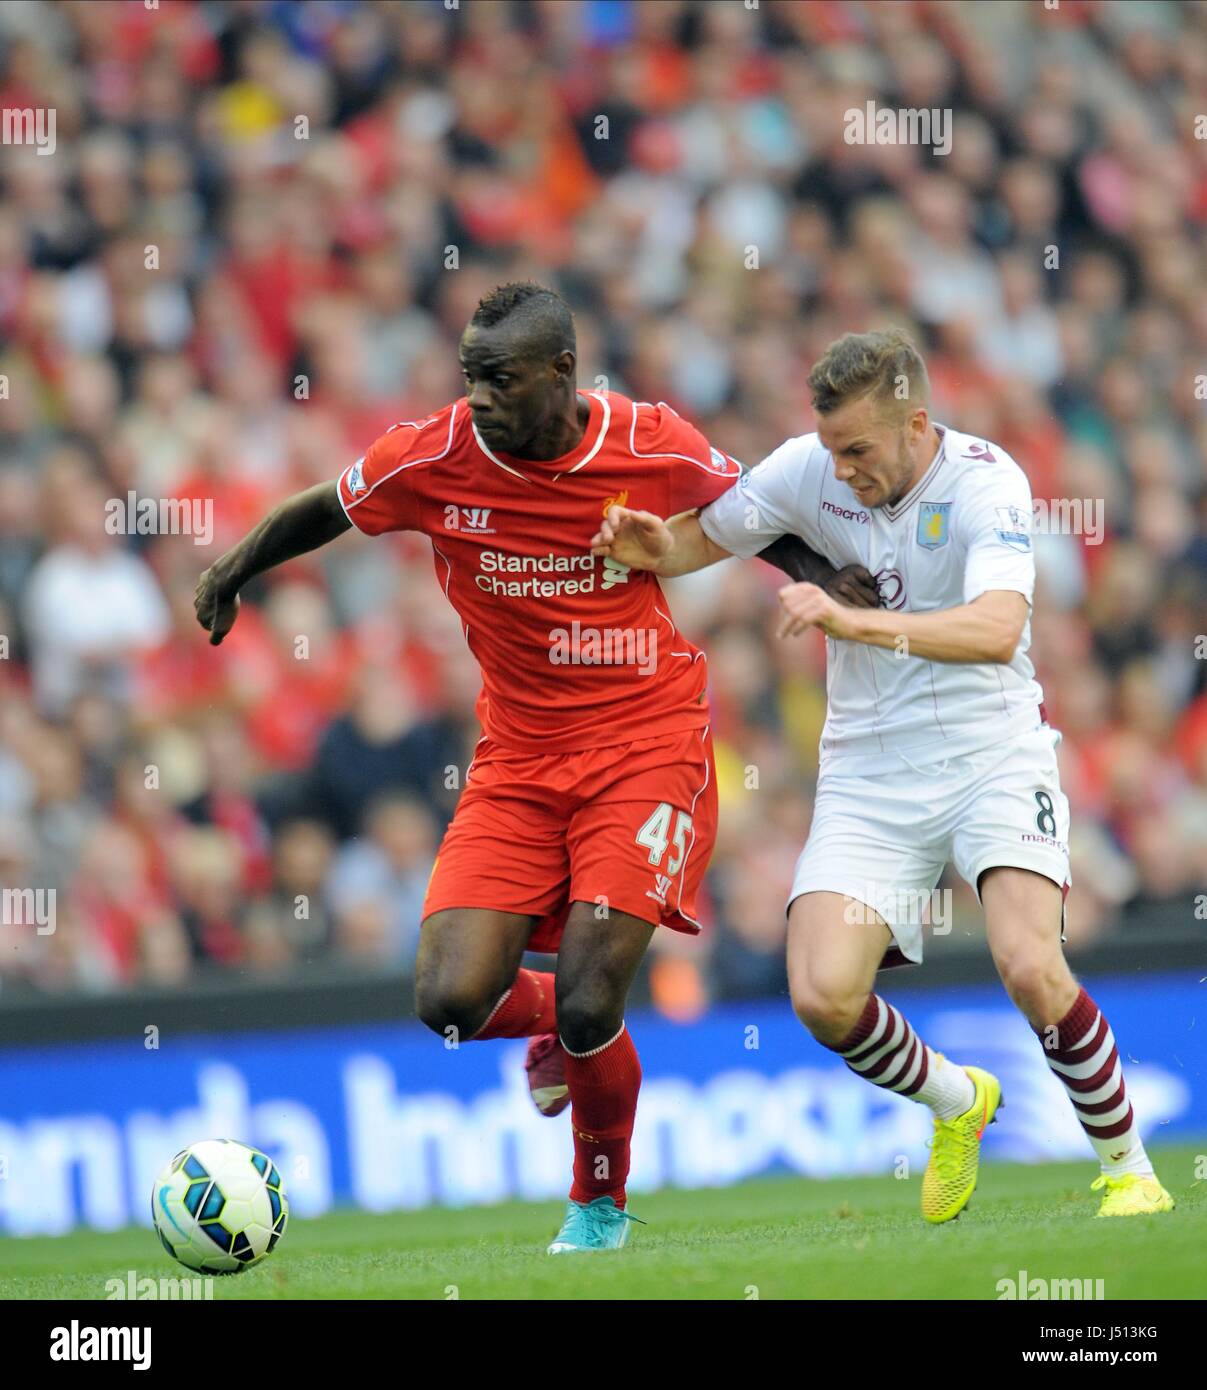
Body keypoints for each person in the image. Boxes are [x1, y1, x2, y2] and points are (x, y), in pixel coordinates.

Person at [194, 282, 878, 1252]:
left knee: (596, 992)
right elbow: (328, 507)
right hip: (516, 756)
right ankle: (557, 1029)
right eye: (470, 379)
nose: (479, 400)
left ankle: (596, 1207)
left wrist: (824, 581)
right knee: (447, 1001)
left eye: (501, 381)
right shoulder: (433, 455)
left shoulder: (649, 442)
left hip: (645, 741)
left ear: (561, 372)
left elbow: (750, 511)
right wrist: (233, 570)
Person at [591, 327, 1174, 1222]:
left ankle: (1128, 1169)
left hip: (992, 751)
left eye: (858, 448)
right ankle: (957, 1101)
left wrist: (849, 622)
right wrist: (647, 544)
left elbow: (992, 631)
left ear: (915, 423)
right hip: (869, 769)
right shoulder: (805, 467)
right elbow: (698, 541)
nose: (842, 468)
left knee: (1027, 963)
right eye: (830, 447)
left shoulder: (986, 481)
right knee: (823, 997)